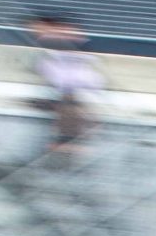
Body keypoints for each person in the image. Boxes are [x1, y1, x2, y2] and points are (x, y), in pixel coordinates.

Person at [26, 13, 104, 165]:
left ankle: (66, 143)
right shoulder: (78, 82)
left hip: (68, 85)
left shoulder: (58, 76)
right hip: (74, 86)